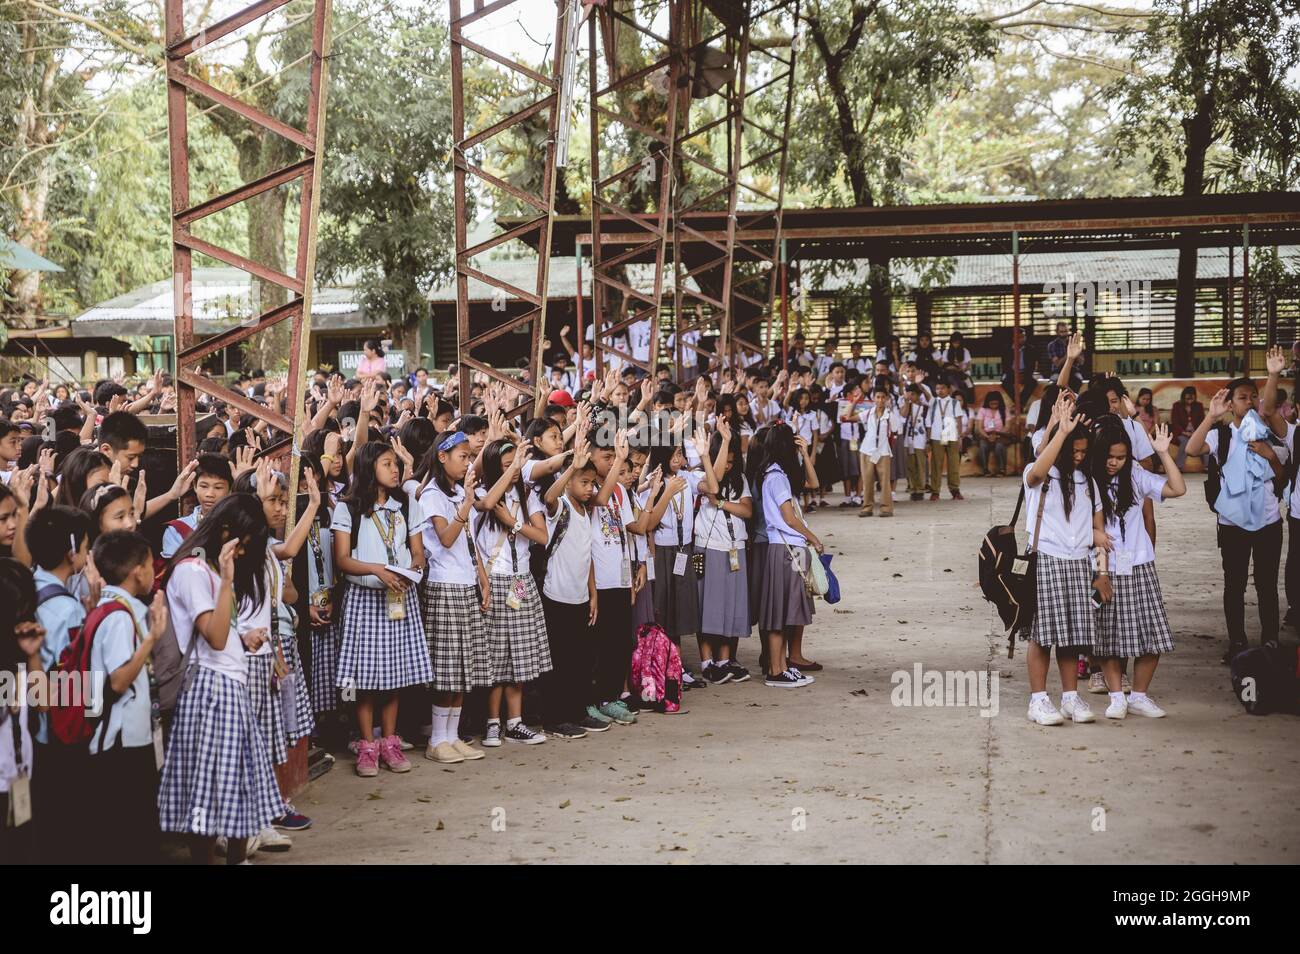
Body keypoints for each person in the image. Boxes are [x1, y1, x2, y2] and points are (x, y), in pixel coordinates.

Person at [158, 495, 286, 865]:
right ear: (227, 532)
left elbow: (222, 630)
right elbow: (212, 636)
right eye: (246, 542)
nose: (247, 552)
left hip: (232, 682)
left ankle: (237, 858)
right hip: (210, 689)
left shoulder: (212, 571)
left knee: (240, 782)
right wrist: (228, 581)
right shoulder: (193, 571)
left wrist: (242, 638)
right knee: (209, 788)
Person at [332, 441, 430, 776]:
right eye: (387, 463)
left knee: (395, 674)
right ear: (368, 466)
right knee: (365, 677)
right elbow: (342, 560)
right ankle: (367, 744)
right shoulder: (348, 507)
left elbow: (417, 551)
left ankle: (390, 741)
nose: (395, 469)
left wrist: (412, 570)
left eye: (396, 464)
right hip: (365, 598)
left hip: (399, 596)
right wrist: (377, 570)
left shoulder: (406, 504)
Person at [1185, 378, 1287, 662]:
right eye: (1243, 397)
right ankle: (1237, 641)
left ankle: (1270, 641)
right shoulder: (1222, 435)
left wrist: (1271, 458)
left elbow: (1281, 478)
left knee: (1267, 584)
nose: (1251, 401)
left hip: (1268, 520)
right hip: (1233, 524)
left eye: (1254, 396)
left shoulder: (1269, 434)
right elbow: (1192, 450)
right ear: (1230, 405)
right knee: (1235, 584)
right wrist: (1211, 415)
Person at [1091, 422, 1185, 720]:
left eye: (1120, 457)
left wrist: (1163, 453)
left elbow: (1178, 488)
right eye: (1109, 456)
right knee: (1108, 637)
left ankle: (1140, 696)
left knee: (1152, 635)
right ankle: (1117, 696)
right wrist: (1101, 573)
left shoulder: (1136, 474)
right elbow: (1091, 532)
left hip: (1140, 563)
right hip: (1105, 566)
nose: (1114, 462)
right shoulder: (1089, 481)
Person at [85, 530, 168, 864]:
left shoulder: (116, 608)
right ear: (137, 571)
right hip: (122, 741)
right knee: (130, 835)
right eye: (150, 565)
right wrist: (152, 639)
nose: (153, 573)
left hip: (128, 737)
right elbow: (119, 681)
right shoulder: (119, 617)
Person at [1022, 392, 1100, 726]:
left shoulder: (1088, 482)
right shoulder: (1041, 475)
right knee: (1043, 634)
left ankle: (1069, 696)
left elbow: (1092, 527)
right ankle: (1038, 700)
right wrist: (1061, 433)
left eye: (1084, 452)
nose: (1079, 458)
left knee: (1072, 635)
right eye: (1074, 452)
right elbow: (1036, 473)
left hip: (1078, 561)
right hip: (1048, 558)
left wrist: (1101, 564)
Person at [474, 438, 551, 746]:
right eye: (507, 465)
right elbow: (487, 505)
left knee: (518, 656)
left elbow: (542, 536)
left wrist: (514, 524)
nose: (516, 470)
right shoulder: (481, 492)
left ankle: (515, 722)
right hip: (493, 580)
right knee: (495, 657)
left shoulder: (527, 496)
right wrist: (512, 470)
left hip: (520, 581)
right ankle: (493, 722)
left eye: (517, 464)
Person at [539, 435, 603, 738]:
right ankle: (555, 718)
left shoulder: (586, 512)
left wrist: (592, 594)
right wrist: (570, 468)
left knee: (578, 661)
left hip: (579, 597)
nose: (590, 488)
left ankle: (576, 712)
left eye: (593, 483)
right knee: (559, 662)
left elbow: (587, 554)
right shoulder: (561, 506)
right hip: (556, 597)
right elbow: (548, 498)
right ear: (569, 482)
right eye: (584, 482)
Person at [755, 424, 822, 688]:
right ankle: (775, 670)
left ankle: (781, 667)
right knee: (779, 613)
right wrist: (813, 537)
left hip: (785, 548)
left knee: (782, 612)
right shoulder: (776, 477)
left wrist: (805, 455)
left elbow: (814, 483)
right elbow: (789, 518)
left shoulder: (779, 474)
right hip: (786, 549)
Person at [858, 386, 902, 517]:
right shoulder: (868, 412)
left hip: (882, 451)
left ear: (887, 399)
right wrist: (855, 401)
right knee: (867, 479)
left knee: (884, 481)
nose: (880, 400)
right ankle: (867, 507)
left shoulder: (891, 415)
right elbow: (848, 417)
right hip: (867, 450)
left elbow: (896, 431)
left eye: (883, 397)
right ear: (873, 399)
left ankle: (886, 508)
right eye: (878, 397)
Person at [925, 377, 967, 501]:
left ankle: (955, 490)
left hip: (951, 435)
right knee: (936, 464)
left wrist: (960, 437)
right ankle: (935, 491)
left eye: (942, 388)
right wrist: (928, 439)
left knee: (953, 463)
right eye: (937, 388)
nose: (940, 391)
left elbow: (958, 420)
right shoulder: (933, 403)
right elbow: (928, 422)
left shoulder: (954, 402)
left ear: (949, 389)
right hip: (937, 435)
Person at [1168, 386, 1205, 471]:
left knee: (1204, 441)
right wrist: (1184, 433)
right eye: (1187, 398)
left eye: (1192, 398)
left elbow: (1202, 421)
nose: (1189, 400)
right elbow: (1175, 423)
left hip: (1196, 433)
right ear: (1183, 397)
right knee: (1185, 442)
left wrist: (1196, 433)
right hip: (1181, 433)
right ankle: (1178, 467)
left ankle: (1207, 466)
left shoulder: (1199, 406)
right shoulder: (1177, 406)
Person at [975, 391, 1011, 477]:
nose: (994, 405)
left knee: (999, 446)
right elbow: (979, 427)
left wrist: (997, 435)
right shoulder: (982, 410)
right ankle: (985, 470)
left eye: (996, 403)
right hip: (986, 435)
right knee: (983, 445)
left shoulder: (1004, 410)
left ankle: (1002, 470)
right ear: (987, 403)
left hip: (1000, 434)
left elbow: (1007, 427)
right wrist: (987, 436)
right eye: (991, 404)